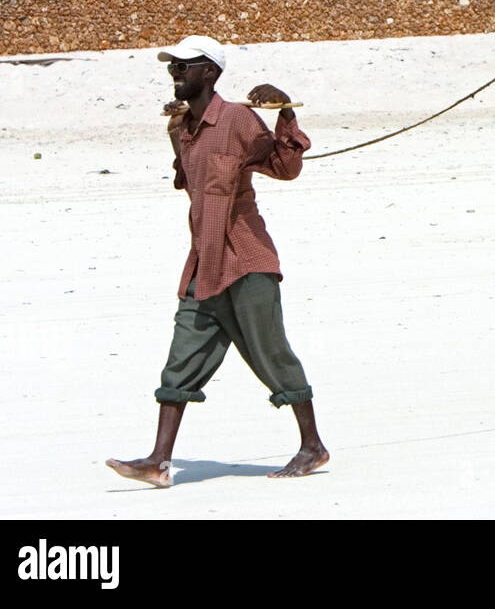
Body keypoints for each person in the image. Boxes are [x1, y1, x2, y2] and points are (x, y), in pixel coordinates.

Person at [106, 35, 328, 487]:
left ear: (210, 72)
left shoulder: (239, 120)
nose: (175, 74)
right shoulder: (180, 129)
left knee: (272, 355)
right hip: (204, 260)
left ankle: (312, 446)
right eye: (173, 67)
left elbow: (286, 168)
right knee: (180, 360)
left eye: (184, 67)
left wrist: (284, 113)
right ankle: (159, 462)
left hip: (246, 258)